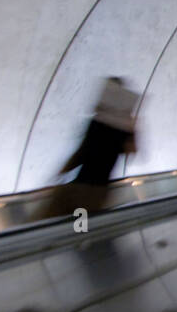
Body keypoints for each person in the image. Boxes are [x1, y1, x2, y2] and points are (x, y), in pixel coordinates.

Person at [47, 77, 140, 216]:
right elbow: (132, 153)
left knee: (62, 219)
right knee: (81, 223)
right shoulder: (124, 128)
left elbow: (82, 152)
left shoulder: (98, 123)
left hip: (82, 186)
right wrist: (132, 130)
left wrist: (61, 172)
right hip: (100, 189)